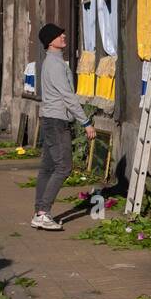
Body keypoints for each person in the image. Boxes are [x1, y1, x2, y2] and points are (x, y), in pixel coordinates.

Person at [32, 23, 95, 230]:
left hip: (51, 119)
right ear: (51, 41)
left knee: (48, 168)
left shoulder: (53, 62)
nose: (64, 35)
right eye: (59, 34)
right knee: (64, 167)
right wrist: (85, 122)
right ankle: (43, 213)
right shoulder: (56, 65)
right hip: (57, 121)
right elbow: (68, 96)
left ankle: (39, 212)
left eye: (63, 32)